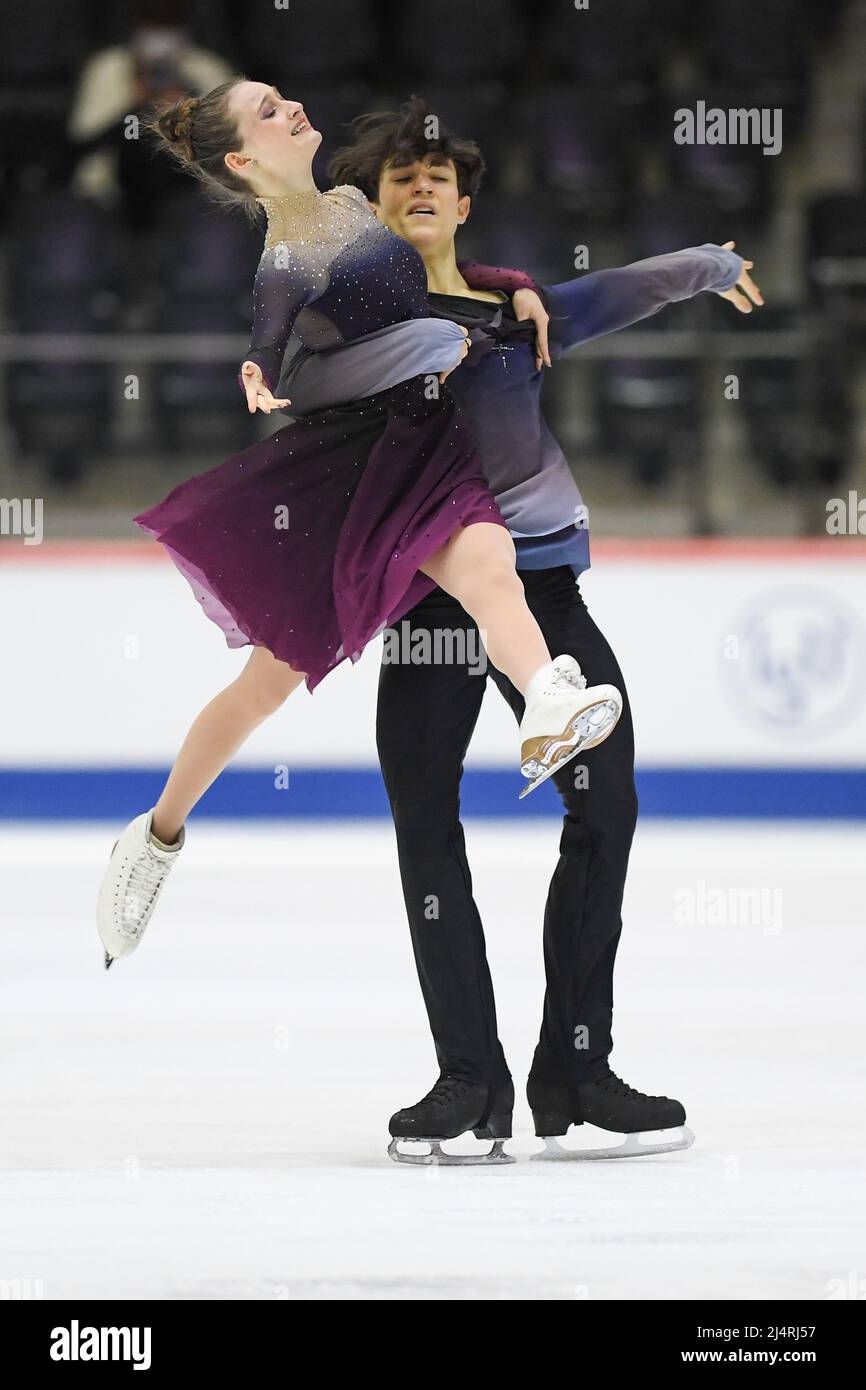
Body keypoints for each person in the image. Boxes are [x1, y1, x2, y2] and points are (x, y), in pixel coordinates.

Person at [281, 97, 764, 1163]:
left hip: (541, 592)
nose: (421, 185)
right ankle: (469, 1080)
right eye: (401, 175)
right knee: (425, 823)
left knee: (607, 805)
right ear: (374, 203)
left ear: (463, 203)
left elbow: (611, 293)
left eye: (438, 177)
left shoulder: (517, 312)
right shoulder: (350, 323)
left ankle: (575, 1069)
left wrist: (702, 264)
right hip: (425, 602)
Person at [95, 79, 623, 973]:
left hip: (431, 438)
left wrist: (516, 285)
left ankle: (547, 700)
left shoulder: (346, 201)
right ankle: (155, 837)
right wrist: (259, 366)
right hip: (353, 473)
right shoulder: (287, 250)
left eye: (280, 96)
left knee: (489, 565)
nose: (290, 108)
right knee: (265, 685)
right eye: (268, 111)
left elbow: (436, 272)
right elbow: (270, 326)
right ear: (243, 158)